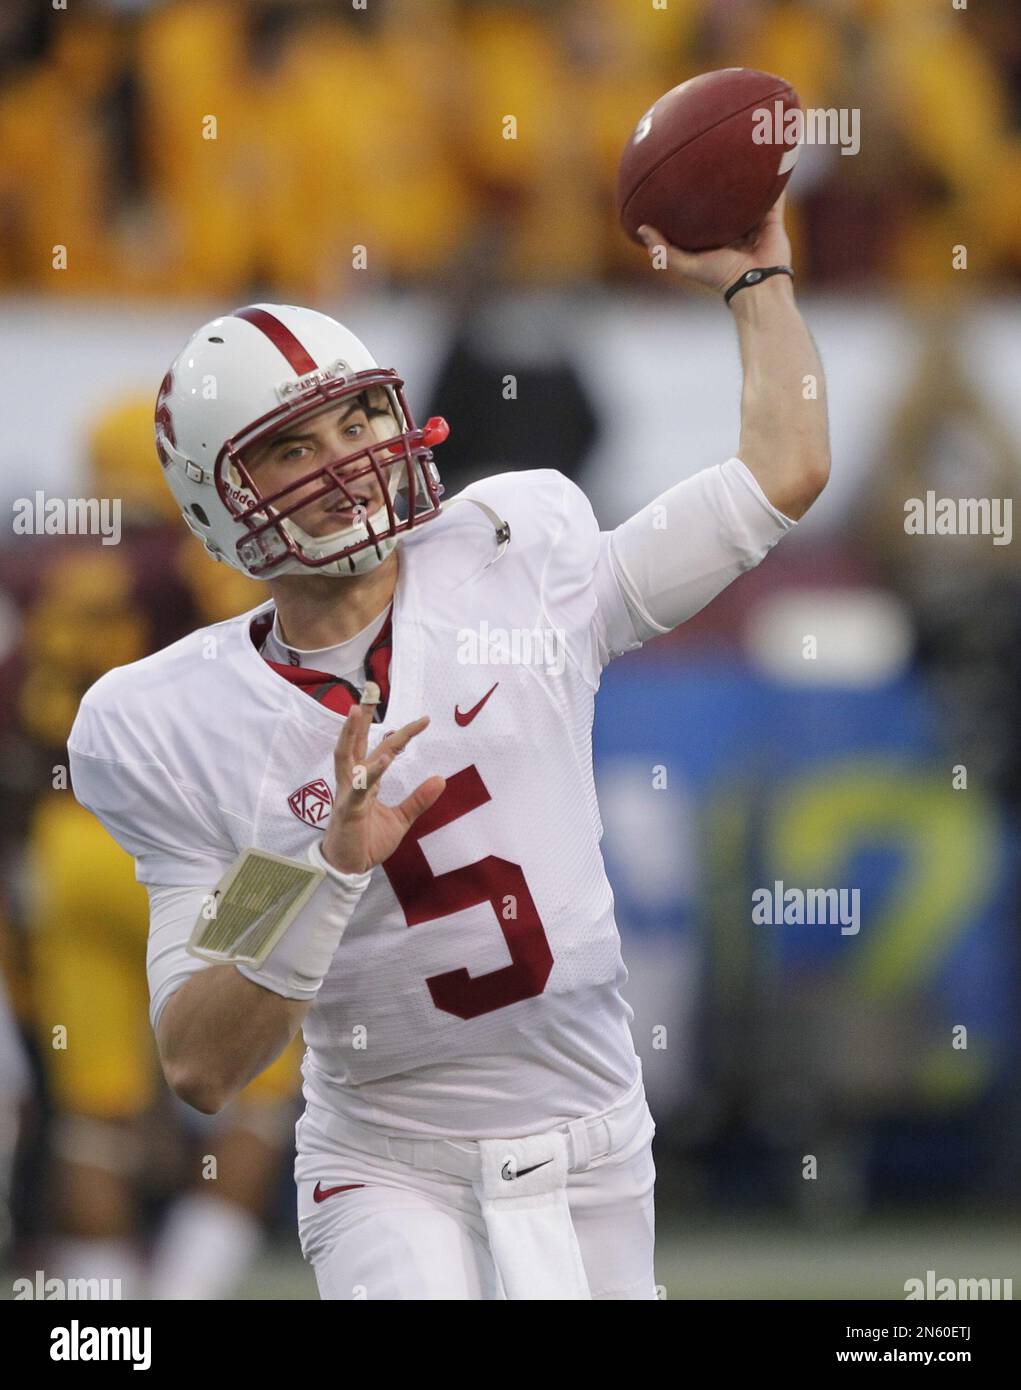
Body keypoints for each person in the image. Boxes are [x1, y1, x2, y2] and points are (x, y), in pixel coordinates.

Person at [68, 197, 829, 1299]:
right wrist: (320, 867)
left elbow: (778, 475)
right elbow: (201, 1058)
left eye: (354, 421)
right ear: (216, 502)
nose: (342, 461)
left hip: (596, 1141)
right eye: (289, 446)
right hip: (387, 1165)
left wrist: (759, 288)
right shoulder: (173, 721)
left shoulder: (520, 550)